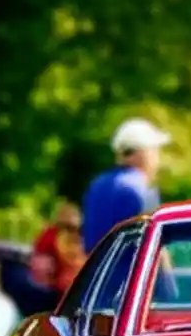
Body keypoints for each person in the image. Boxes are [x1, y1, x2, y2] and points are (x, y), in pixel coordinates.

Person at [81, 118, 170, 252]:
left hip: (100, 271)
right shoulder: (144, 189)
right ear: (143, 153)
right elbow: (156, 245)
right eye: (155, 151)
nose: (157, 159)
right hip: (133, 270)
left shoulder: (96, 186)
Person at [31, 202, 86, 294]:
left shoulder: (81, 240)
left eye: (73, 228)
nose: (69, 232)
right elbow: (41, 267)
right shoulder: (50, 237)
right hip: (56, 290)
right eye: (66, 227)